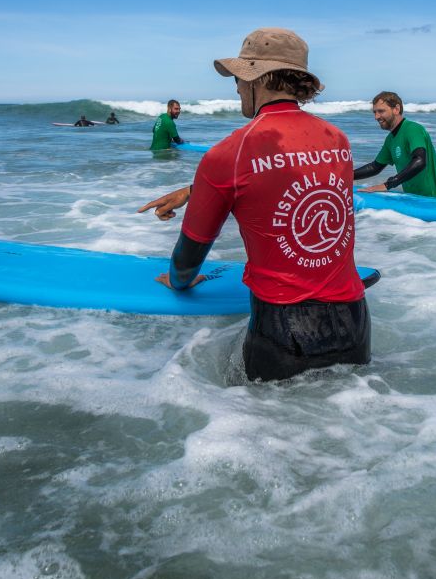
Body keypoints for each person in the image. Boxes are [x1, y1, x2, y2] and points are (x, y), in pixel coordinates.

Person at [137, 28, 370, 382]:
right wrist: (194, 188)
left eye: (239, 77)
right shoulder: (337, 138)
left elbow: (189, 254)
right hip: (355, 322)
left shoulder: (230, 152)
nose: (235, 87)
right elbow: (288, 174)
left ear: (257, 78)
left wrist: (179, 281)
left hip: (282, 331)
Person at [353, 92, 436, 198]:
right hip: (414, 200)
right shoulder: (390, 139)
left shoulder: (413, 129)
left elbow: (420, 161)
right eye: (374, 112)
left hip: (435, 201)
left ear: (396, 109)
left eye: (381, 111)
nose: (376, 117)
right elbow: (375, 167)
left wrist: (389, 184)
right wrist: (345, 177)